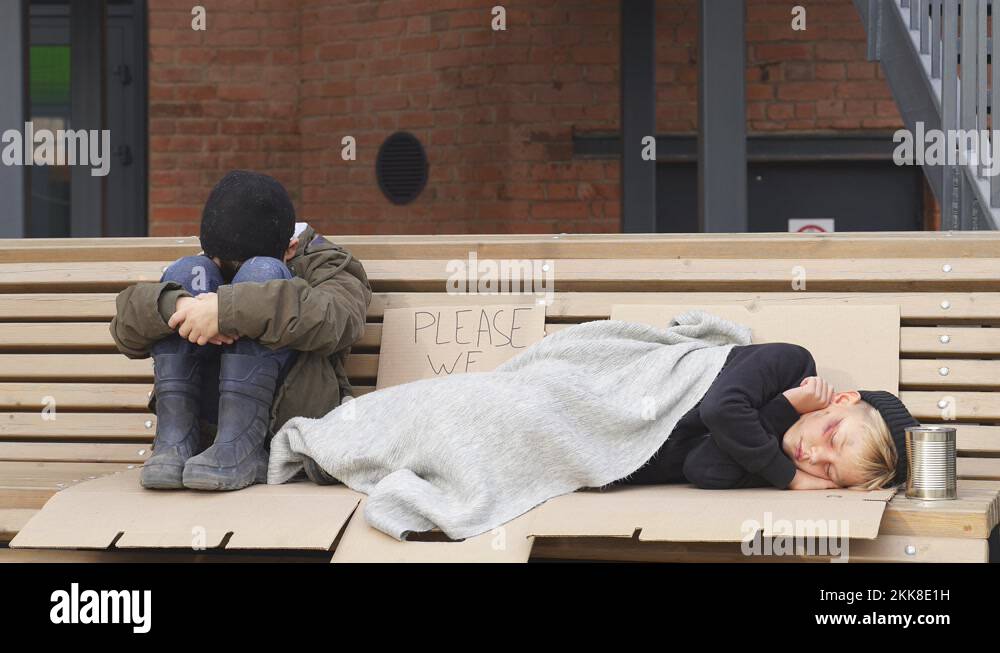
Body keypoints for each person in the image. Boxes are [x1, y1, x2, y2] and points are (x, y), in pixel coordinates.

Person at [109, 170, 372, 491]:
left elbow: (334, 320)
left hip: (285, 422)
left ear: (290, 248)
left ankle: (241, 448)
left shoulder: (328, 263)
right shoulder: (210, 258)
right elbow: (126, 330)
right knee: (186, 273)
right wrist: (178, 307)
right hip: (209, 425)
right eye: (222, 265)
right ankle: (175, 444)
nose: (227, 275)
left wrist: (227, 310)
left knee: (263, 272)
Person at [608, 342, 919, 491]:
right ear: (843, 399)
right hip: (616, 394)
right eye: (832, 435)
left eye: (828, 471)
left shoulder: (770, 463)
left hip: (613, 461)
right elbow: (719, 409)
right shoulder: (791, 365)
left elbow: (700, 468)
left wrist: (778, 465)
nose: (811, 455)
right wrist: (792, 477)